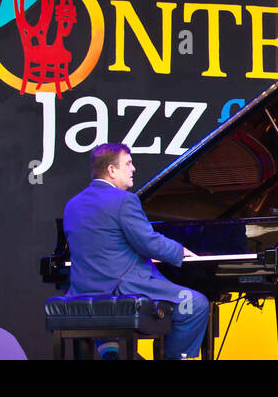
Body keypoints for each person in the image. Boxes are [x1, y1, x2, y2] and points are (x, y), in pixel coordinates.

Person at [63, 143, 209, 359]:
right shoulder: (124, 201)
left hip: (83, 291)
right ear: (112, 170)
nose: (134, 169)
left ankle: (112, 349)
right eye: (128, 163)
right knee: (196, 304)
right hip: (122, 287)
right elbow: (148, 243)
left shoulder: (72, 204)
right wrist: (181, 251)